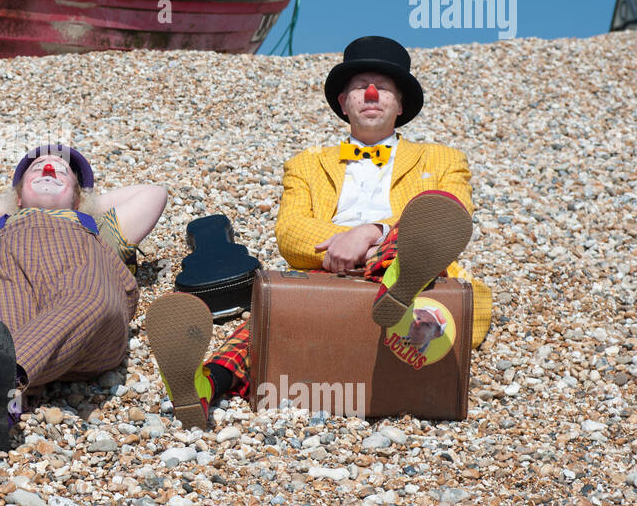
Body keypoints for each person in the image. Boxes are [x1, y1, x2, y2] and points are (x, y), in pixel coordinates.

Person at [147, 35, 492, 427]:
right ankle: (204, 386)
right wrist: (352, 245)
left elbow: (450, 216)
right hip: (329, 274)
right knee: (263, 326)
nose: (373, 94)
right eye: (361, 87)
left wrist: (372, 231)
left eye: (385, 88)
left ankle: (398, 276)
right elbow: (291, 231)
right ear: (344, 103)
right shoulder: (306, 165)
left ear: (401, 104)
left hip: (418, 272)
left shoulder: (443, 159)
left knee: (423, 222)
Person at [0, 144, 167, 452]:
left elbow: (154, 193)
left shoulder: (102, 228)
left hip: (84, 332)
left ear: (79, 197)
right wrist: (9, 207)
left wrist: (86, 205)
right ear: (18, 195)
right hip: (7, 273)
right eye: (36, 169)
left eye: (62, 171)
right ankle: (1, 407)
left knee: (92, 299)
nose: (50, 169)